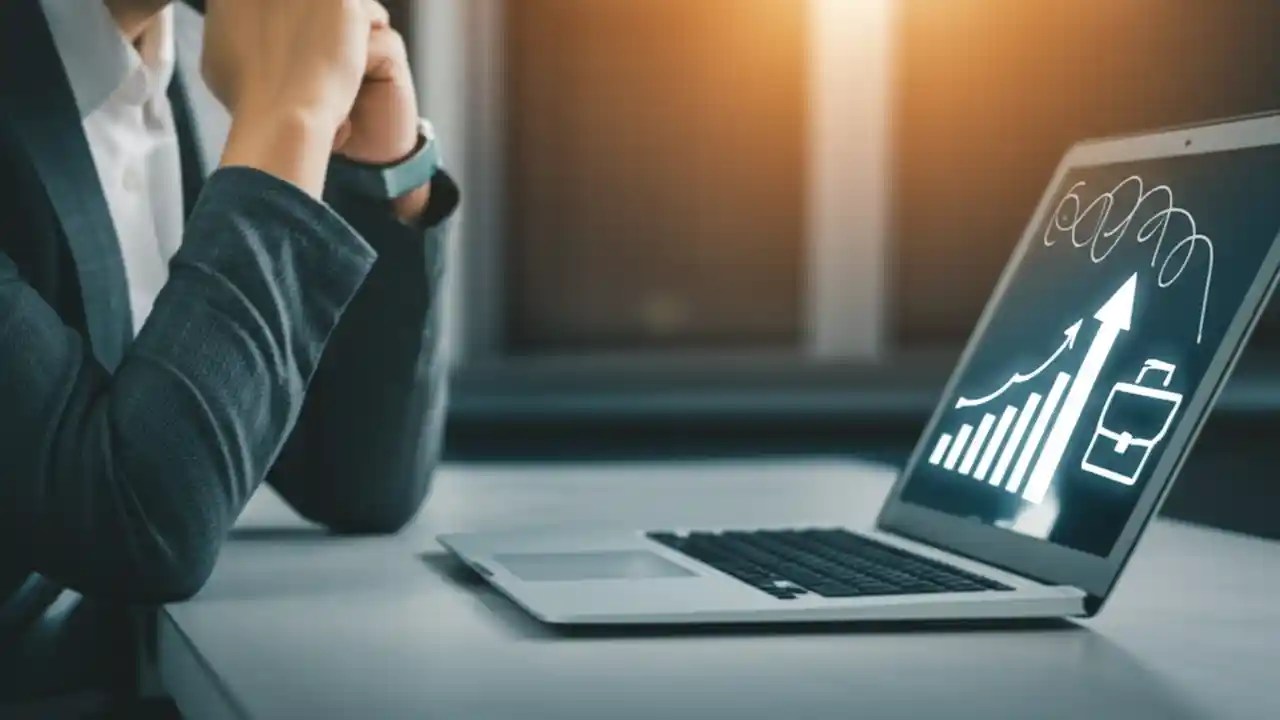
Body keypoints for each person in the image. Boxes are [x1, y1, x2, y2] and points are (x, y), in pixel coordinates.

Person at [0, 0, 458, 706]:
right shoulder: (263, 81)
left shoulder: (214, 58)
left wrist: (390, 170)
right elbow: (138, 527)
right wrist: (291, 116)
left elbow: (354, 476)